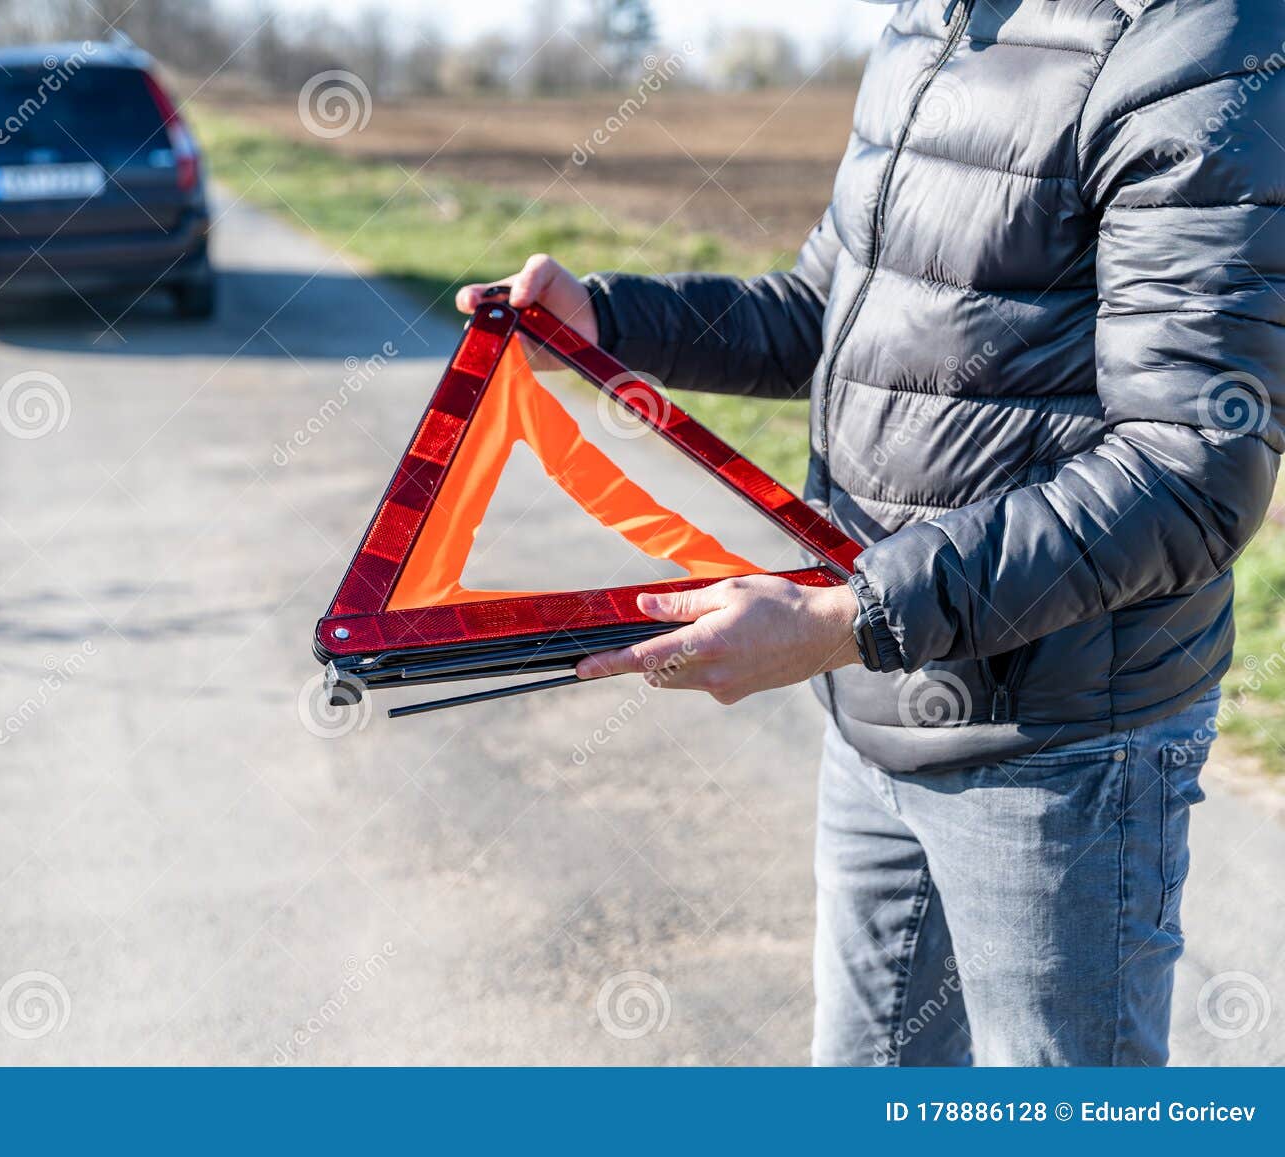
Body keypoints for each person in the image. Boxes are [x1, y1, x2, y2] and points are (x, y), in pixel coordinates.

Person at [457, 0, 1283, 1066]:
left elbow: (1190, 468)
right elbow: (826, 309)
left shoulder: (1198, 44)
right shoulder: (931, 21)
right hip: (875, 703)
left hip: (1058, 746)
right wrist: (611, 320)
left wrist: (855, 614)